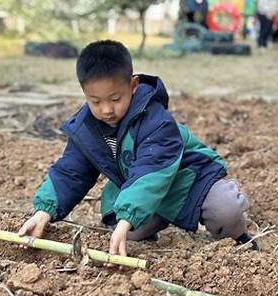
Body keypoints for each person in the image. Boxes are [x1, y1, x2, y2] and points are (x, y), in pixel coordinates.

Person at [17, 40, 257, 257]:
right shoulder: (87, 129)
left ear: (133, 86)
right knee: (126, 230)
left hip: (188, 179)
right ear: (84, 94)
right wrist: (43, 212)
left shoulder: (156, 121)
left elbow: (151, 171)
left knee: (225, 211)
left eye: (115, 99)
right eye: (96, 102)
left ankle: (240, 235)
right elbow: (71, 171)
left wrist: (127, 217)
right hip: (142, 189)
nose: (106, 110)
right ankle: (151, 217)